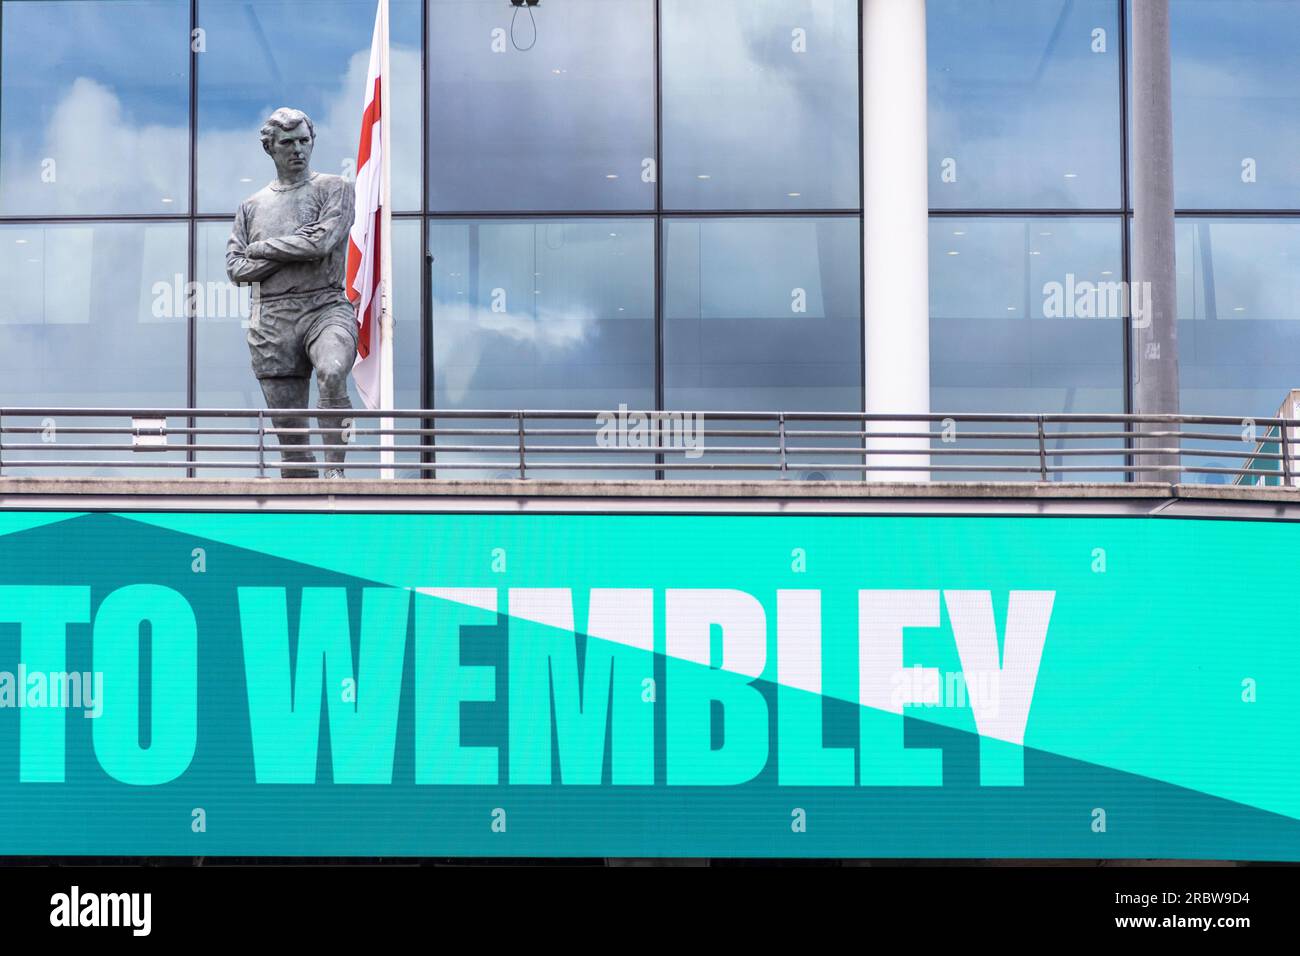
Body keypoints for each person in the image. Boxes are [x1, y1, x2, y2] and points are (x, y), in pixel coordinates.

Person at [227, 107, 357, 478]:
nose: (298, 149)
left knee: (332, 371)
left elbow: (322, 241)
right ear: (270, 148)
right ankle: (302, 508)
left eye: (304, 140)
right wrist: (290, 251)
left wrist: (264, 249)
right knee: (293, 448)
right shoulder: (251, 207)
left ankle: (337, 474)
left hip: (325, 305)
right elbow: (237, 269)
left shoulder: (335, 188)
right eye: (287, 142)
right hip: (272, 318)